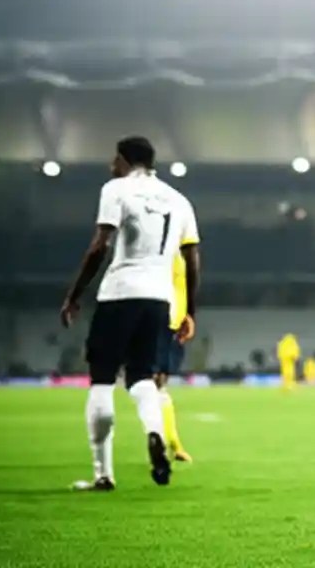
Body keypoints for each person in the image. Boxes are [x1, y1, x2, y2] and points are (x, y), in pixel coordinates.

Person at [62, 137, 200, 491]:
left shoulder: (117, 189)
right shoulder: (179, 199)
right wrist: (188, 311)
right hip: (159, 299)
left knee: (103, 378)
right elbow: (192, 260)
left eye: (114, 158)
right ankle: (155, 433)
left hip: (120, 292)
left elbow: (100, 246)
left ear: (123, 159)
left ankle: (102, 474)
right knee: (141, 377)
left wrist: (74, 295)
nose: (111, 164)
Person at [155, 242, 200, 464]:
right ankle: (169, 443)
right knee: (154, 385)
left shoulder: (176, 257)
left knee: (158, 385)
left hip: (170, 323)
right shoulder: (165, 256)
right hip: (160, 322)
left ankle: (169, 443)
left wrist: (187, 315)